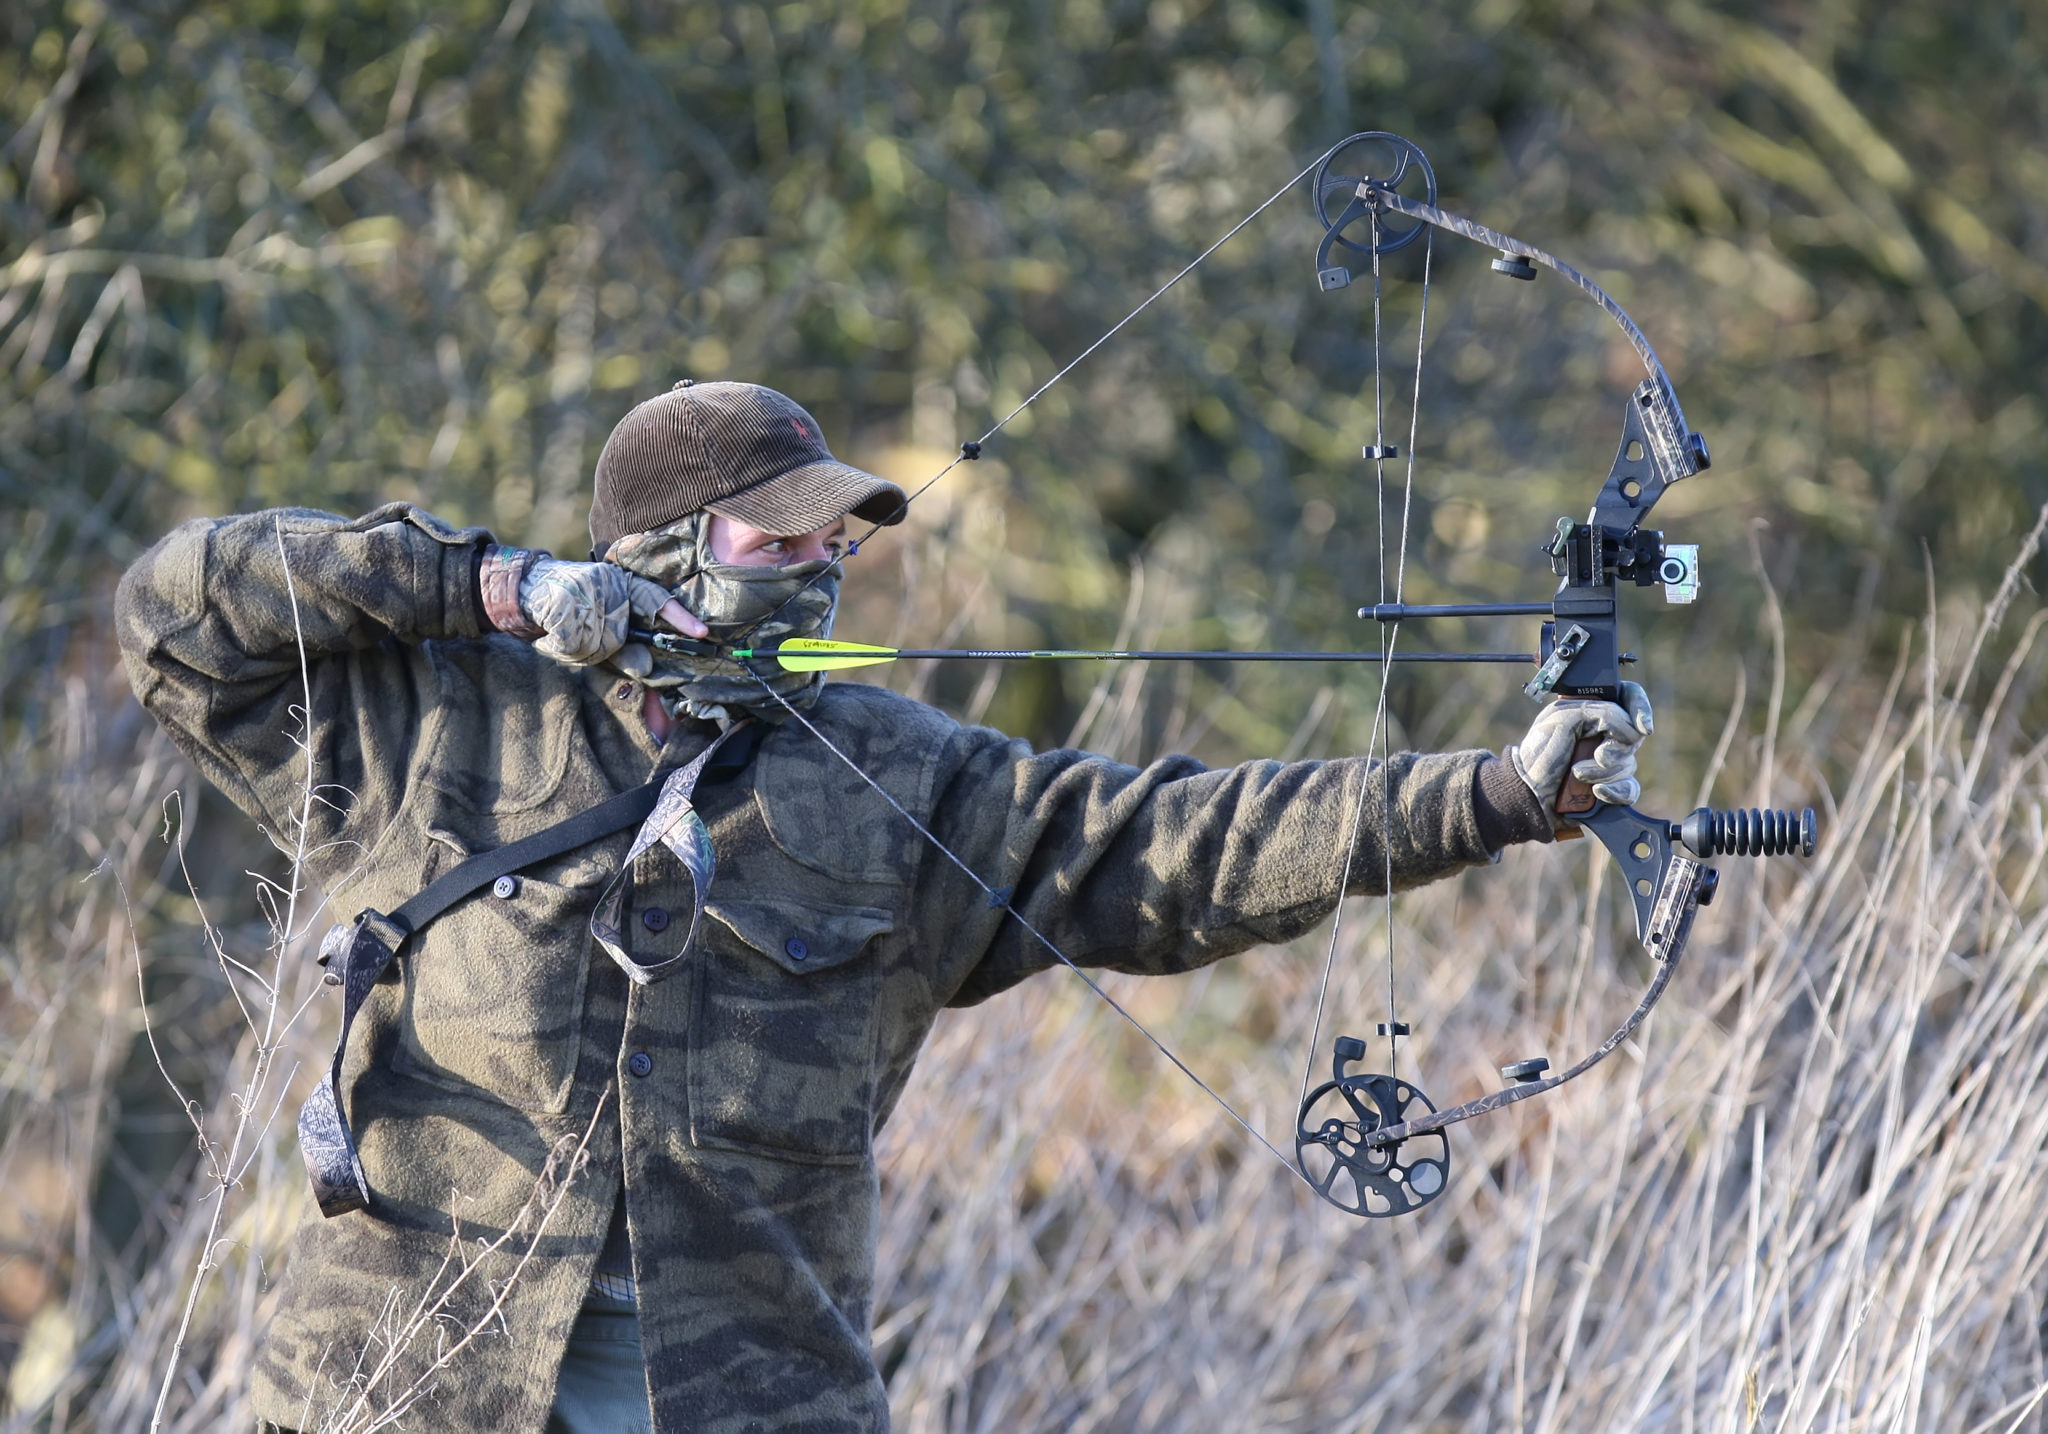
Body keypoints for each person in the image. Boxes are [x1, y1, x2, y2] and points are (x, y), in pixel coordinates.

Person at [114, 380, 1651, 1434]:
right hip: (408, 1385)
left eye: (833, 541)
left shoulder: (905, 781)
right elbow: (175, 613)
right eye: (776, 541)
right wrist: (492, 590)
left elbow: (1182, 843)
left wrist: (1505, 792)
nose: (820, 571)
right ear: (653, 560)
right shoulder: (429, 732)